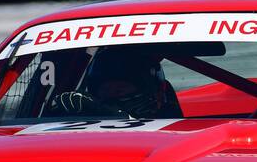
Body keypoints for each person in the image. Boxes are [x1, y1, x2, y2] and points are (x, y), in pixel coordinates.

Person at [49, 48, 182, 119]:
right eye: (105, 89)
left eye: (120, 89)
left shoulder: (174, 130)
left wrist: (106, 113)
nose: (111, 94)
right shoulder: (79, 111)